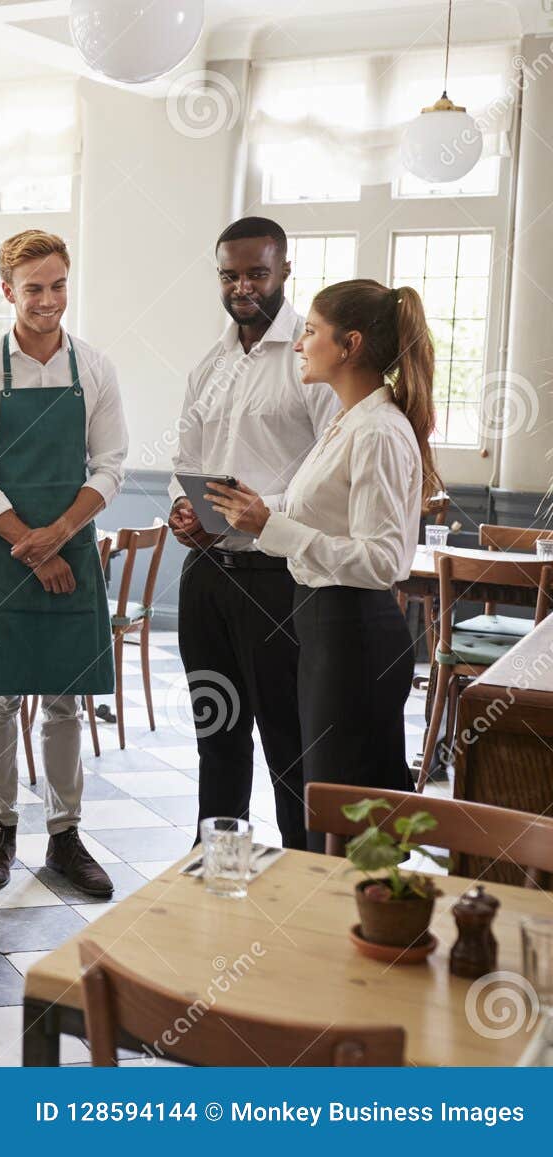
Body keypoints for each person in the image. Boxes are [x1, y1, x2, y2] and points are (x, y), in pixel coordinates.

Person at [207, 279, 434, 853]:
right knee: (332, 804)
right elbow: (317, 514)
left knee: (343, 814)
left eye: (310, 332)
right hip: (323, 623)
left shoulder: (378, 431)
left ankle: (345, 929)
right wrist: (256, 512)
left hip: (354, 631)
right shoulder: (347, 421)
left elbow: (382, 559)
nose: (300, 345)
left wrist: (272, 528)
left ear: (350, 344)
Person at [0, 230, 126, 897]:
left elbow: (110, 466)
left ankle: (64, 834)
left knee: (63, 702)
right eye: (33, 288)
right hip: (1, 556)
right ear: (8, 292)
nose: (48, 300)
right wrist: (29, 544)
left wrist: (57, 534)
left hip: (70, 547)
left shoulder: (96, 369)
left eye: (57, 285)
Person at [167, 217, 338, 850]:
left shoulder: (310, 359)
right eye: (230, 275)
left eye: (256, 273)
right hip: (207, 574)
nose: (243, 286)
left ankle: (303, 865)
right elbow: (184, 460)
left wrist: (258, 510)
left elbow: (330, 468)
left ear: (285, 272)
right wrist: (183, 514)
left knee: (289, 737)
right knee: (217, 728)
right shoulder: (208, 364)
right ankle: (216, 854)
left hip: (277, 575)